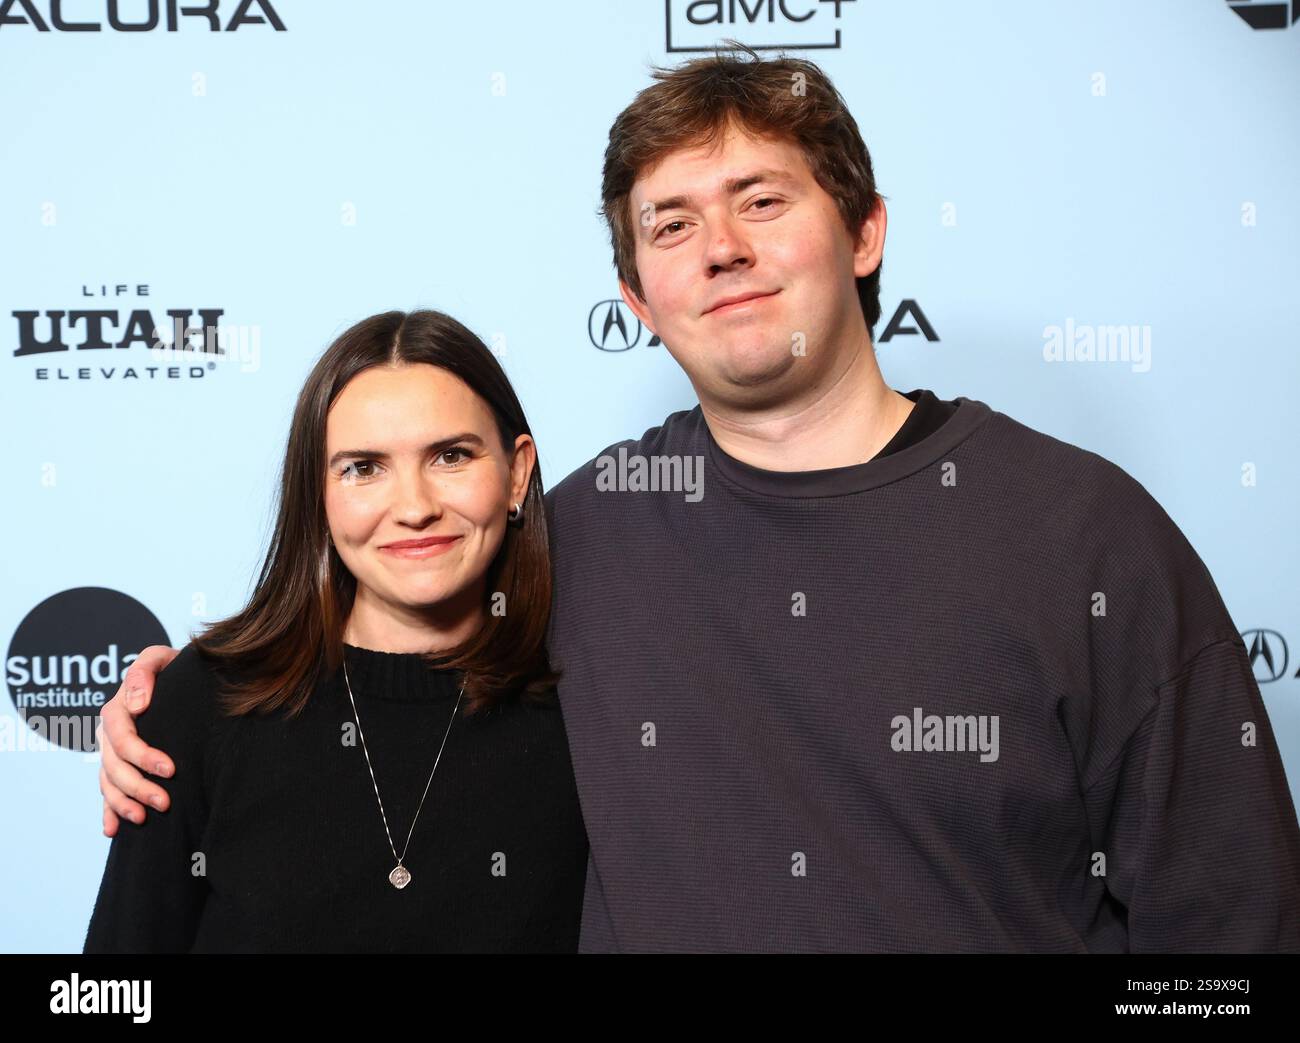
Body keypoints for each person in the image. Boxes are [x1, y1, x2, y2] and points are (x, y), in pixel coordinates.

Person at [96, 47, 1300, 952]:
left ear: (865, 232)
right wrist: (177, 698)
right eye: (672, 224)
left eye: (762, 200)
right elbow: (392, 638)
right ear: (635, 294)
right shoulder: (582, 534)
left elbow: (1232, 936)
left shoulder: (1084, 534)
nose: (719, 246)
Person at [84, 310, 588, 953]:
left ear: (516, 474)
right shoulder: (202, 704)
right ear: (315, 493)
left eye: (452, 455)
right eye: (363, 468)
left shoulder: (589, 694)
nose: (413, 508)